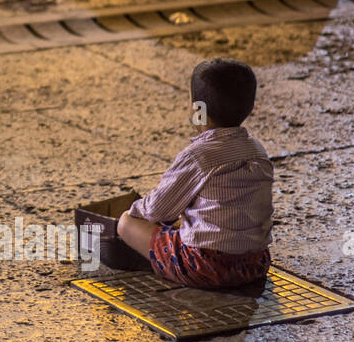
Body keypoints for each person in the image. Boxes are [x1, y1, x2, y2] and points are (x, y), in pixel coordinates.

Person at [116, 59, 273, 289]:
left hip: (205, 267)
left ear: (198, 111)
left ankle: (160, 261)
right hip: (255, 264)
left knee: (126, 223)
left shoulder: (198, 156)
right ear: (250, 108)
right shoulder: (258, 150)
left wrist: (135, 210)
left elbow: (157, 210)